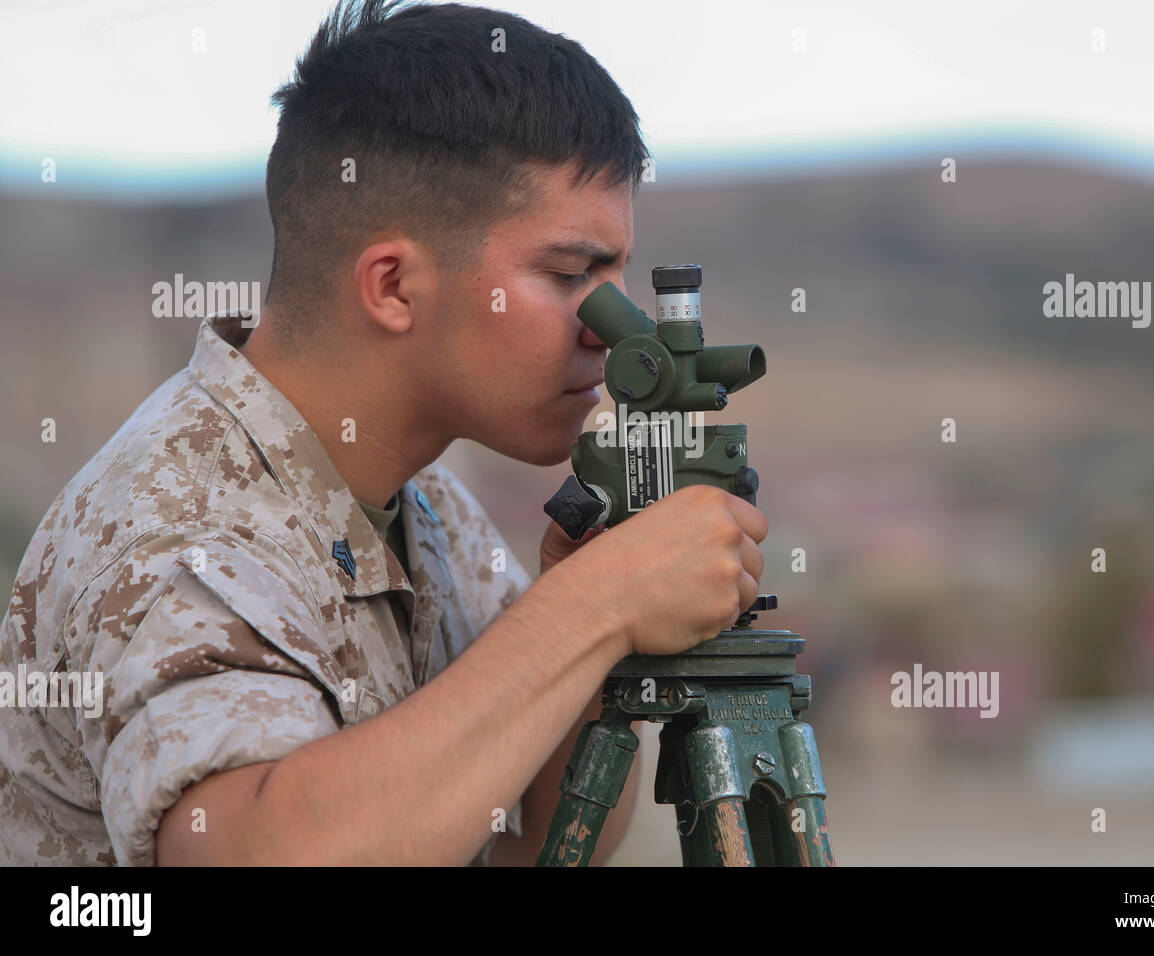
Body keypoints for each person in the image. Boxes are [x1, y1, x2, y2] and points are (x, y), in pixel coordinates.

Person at [0, 0, 766, 866]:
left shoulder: (424, 505)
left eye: (618, 277)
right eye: (568, 275)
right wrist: (594, 609)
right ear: (393, 286)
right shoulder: (178, 528)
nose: (610, 328)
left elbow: (531, 844)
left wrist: (597, 644)